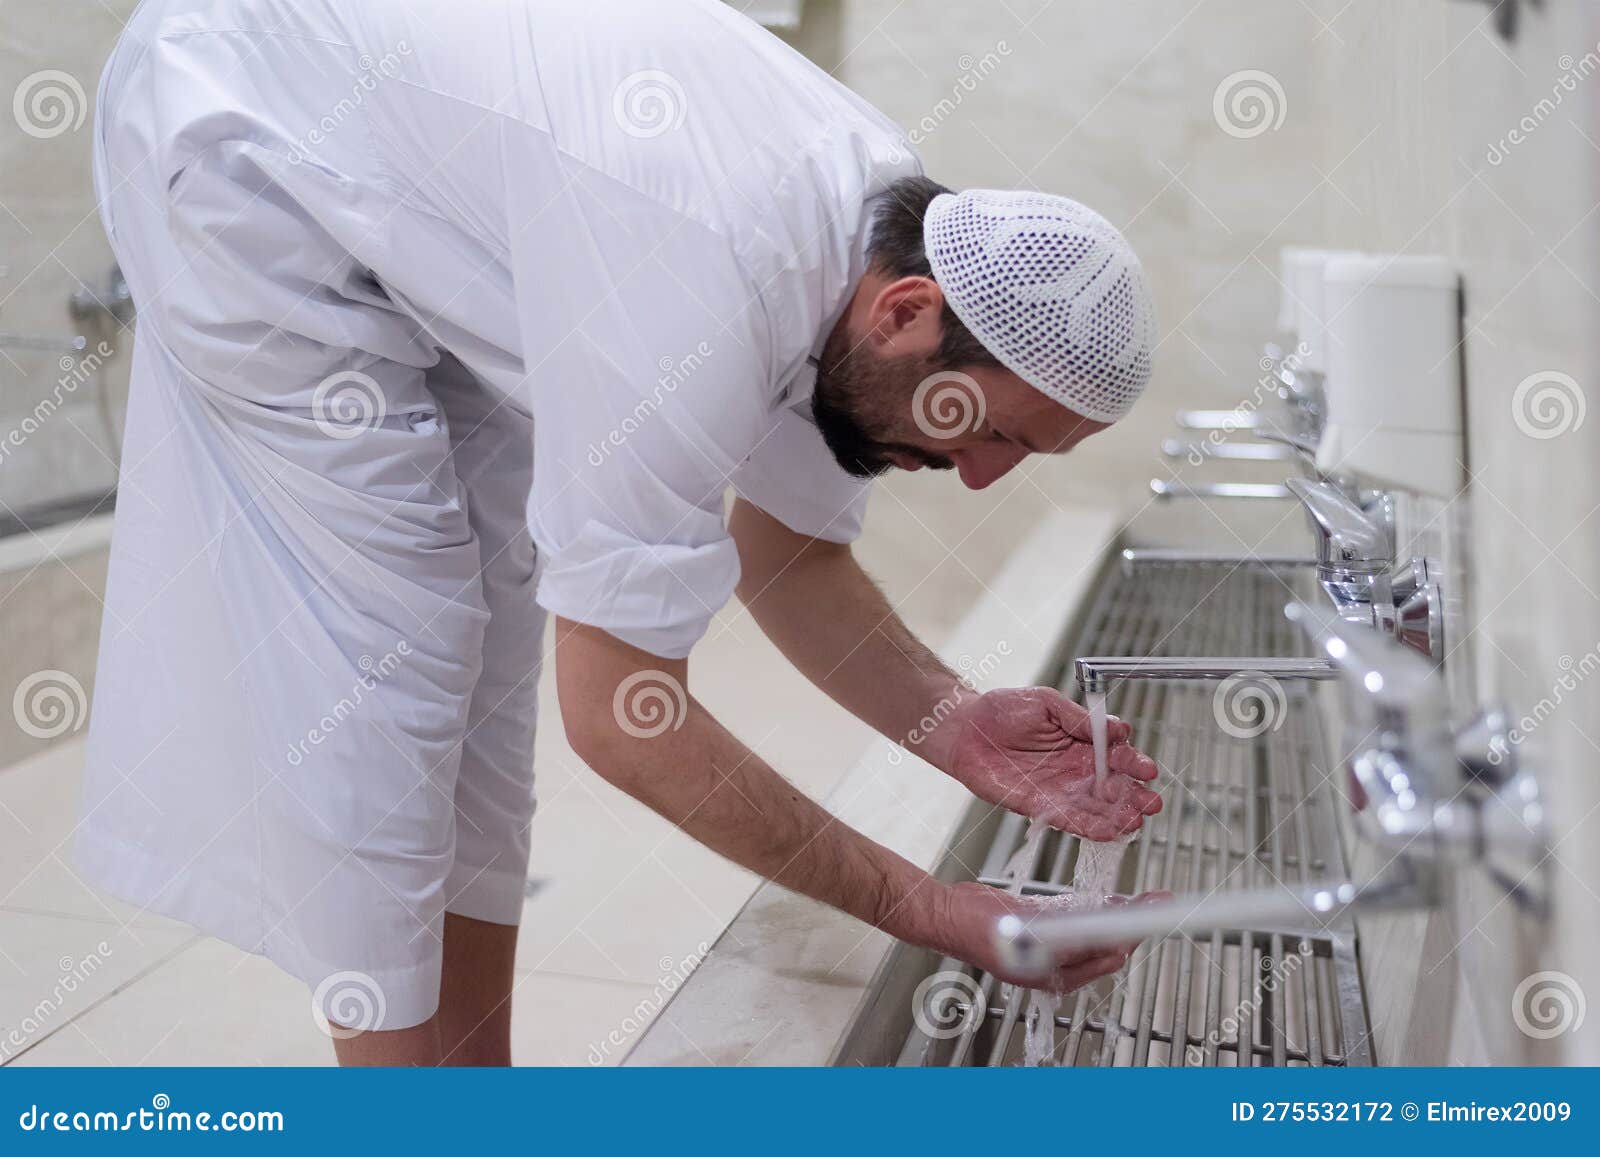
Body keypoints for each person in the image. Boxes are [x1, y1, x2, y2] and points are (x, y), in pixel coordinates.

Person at [79, 0, 1163, 1066]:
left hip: (414, 176)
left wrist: (956, 724)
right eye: (986, 430)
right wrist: (924, 905)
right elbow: (625, 720)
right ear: (906, 313)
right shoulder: (705, 269)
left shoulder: (875, 248)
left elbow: (792, 561)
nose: (976, 475)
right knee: (398, 659)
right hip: (239, 133)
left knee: (489, 650)